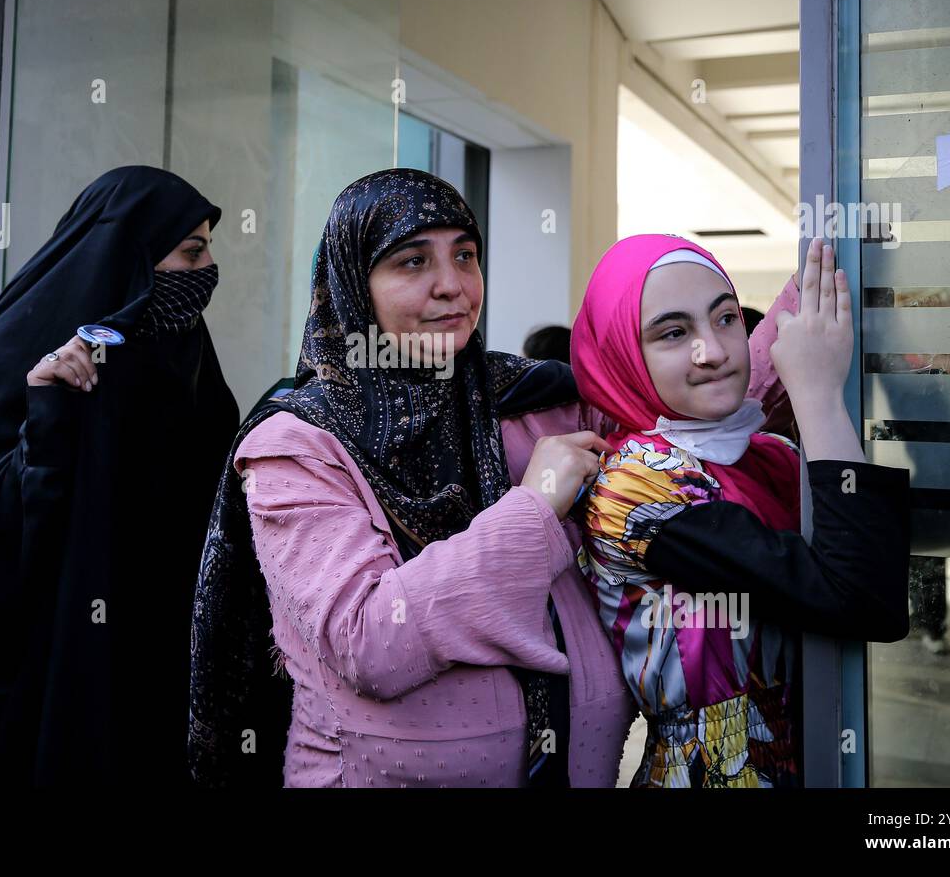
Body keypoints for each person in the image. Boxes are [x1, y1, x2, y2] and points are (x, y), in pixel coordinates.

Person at [188, 171, 802, 788]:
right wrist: (534, 509)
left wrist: (822, 283)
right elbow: (368, 641)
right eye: (411, 262)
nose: (452, 285)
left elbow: (703, 404)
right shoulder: (297, 444)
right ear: (354, 285)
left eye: (465, 255)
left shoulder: (530, 400)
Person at [0, 166, 239, 787]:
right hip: (47, 682)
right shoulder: (6, 362)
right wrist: (48, 419)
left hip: (152, 682)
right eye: (191, 251)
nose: (207, 270)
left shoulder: (184, 361)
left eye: (210, 249)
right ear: (124, 254)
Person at [570, 234, 910, 788]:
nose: (715, 350)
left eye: (726, 318)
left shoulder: (763, 453)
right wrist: (819, 396)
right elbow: (863, 599)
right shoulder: (638, 489)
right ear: (622, 355)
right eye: (674, 333)